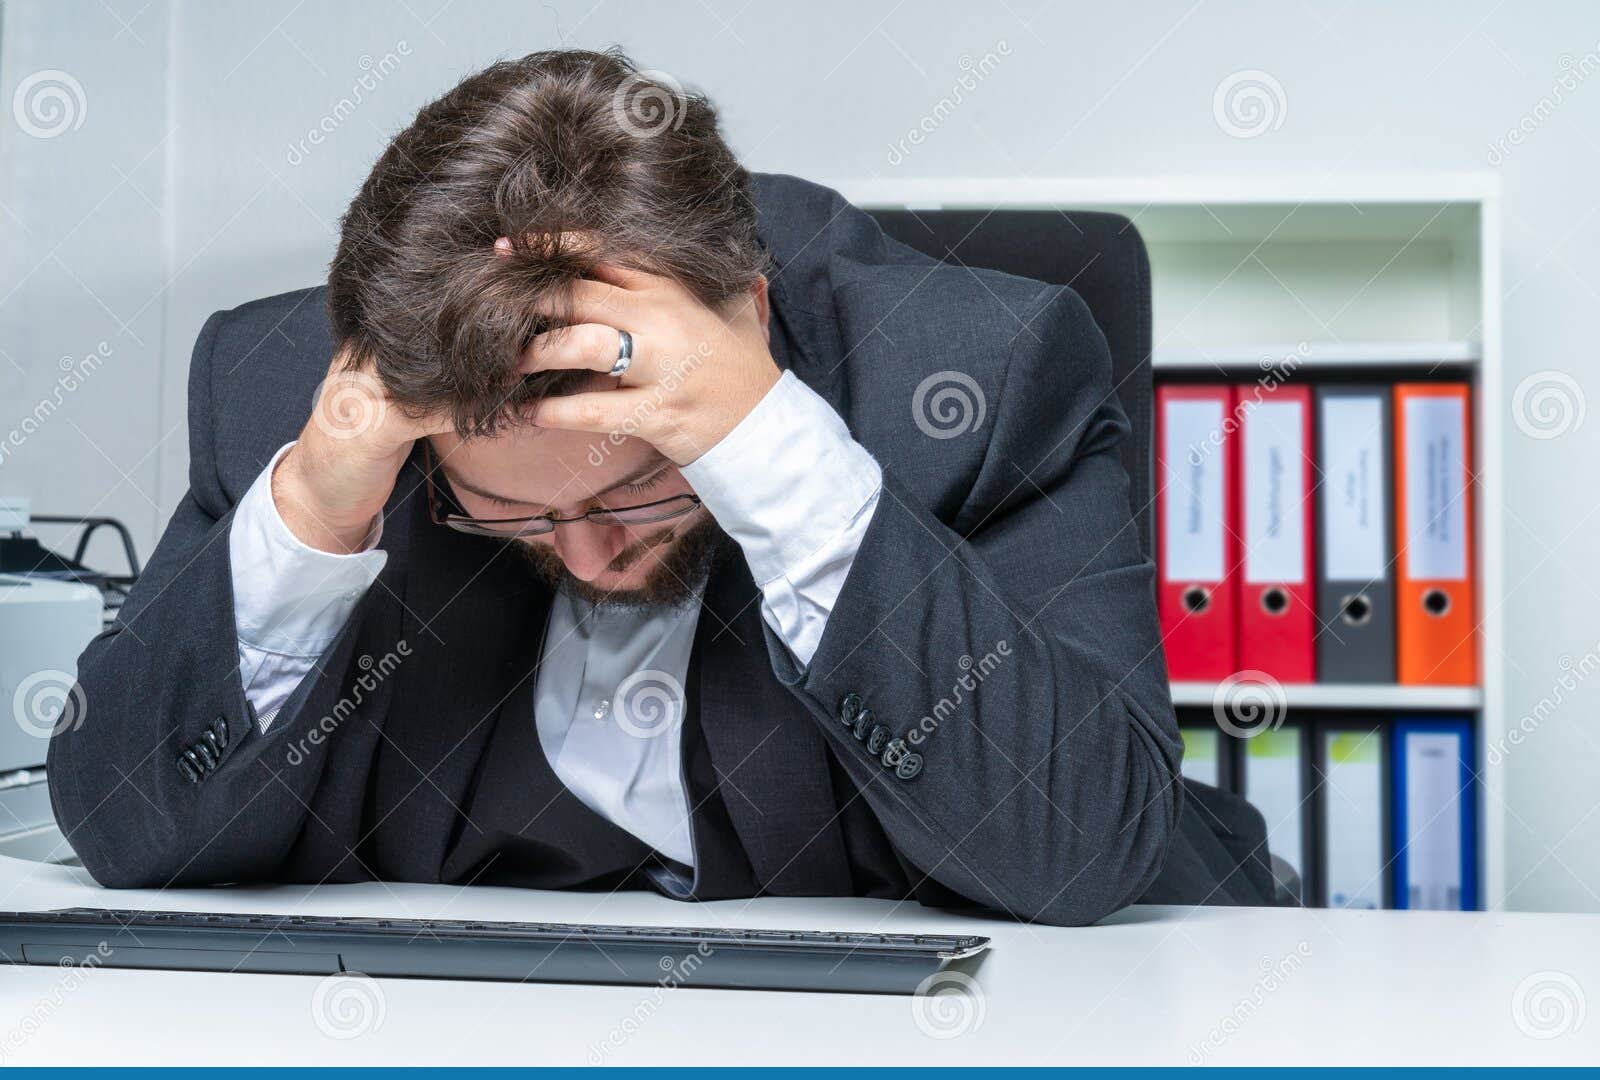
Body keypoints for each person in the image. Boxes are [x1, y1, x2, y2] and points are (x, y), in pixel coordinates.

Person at [47, 49, 1274, 925]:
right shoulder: (287, 397)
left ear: (750, 317)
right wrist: (314, 514)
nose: (583, 556)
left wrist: (767, 452)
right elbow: (132, 829)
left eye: (637, 489)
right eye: (511, 509)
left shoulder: (983, 373)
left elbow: (1073, 846)